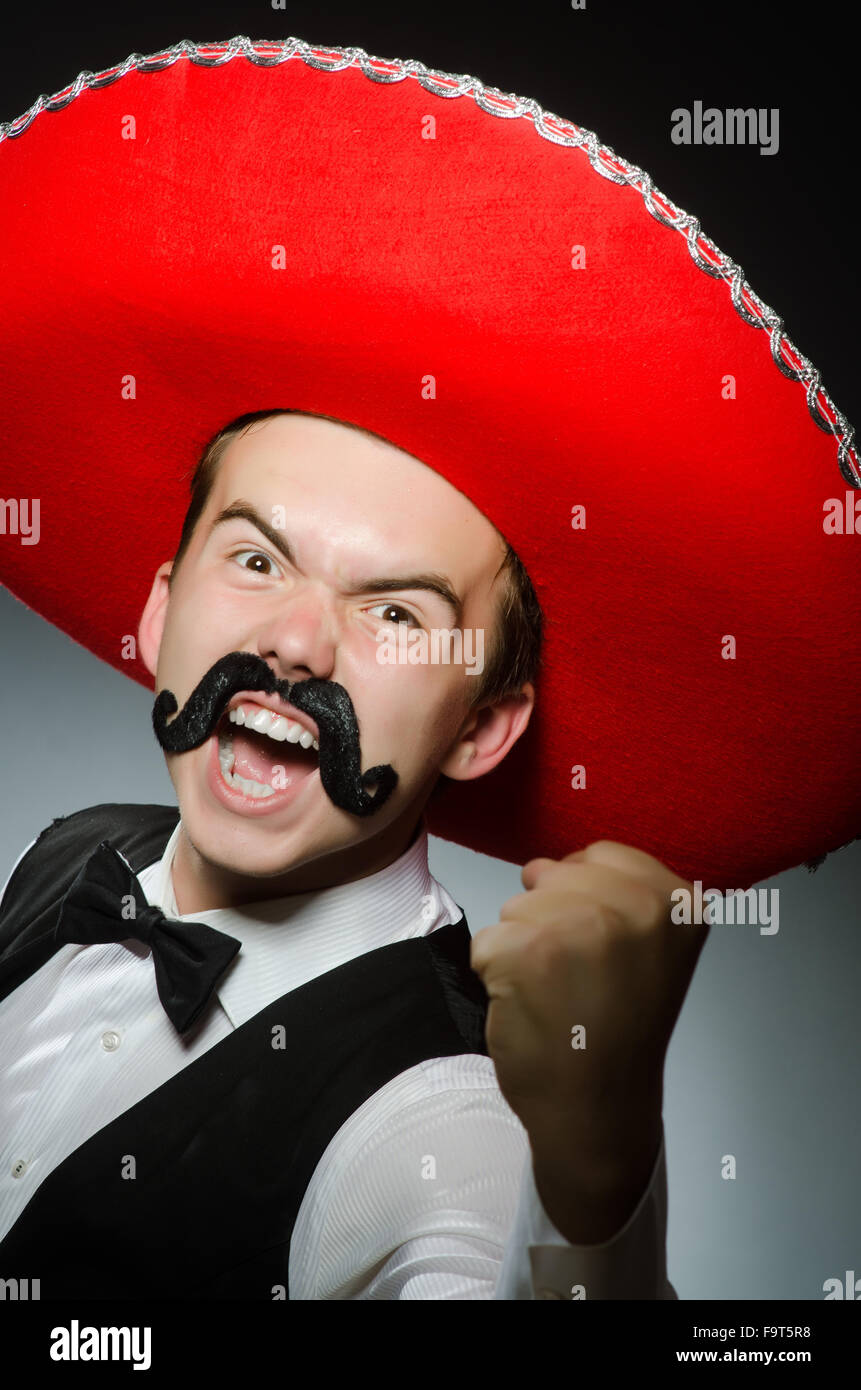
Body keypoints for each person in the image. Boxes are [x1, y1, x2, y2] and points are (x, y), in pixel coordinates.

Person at [0, 35, 857, 1301]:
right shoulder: (77, 853)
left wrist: (603, 1179)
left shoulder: (447, 1120)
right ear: (159, 607)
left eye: (396, 615)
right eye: (254, 562)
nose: (294, 641)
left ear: (486, 728)